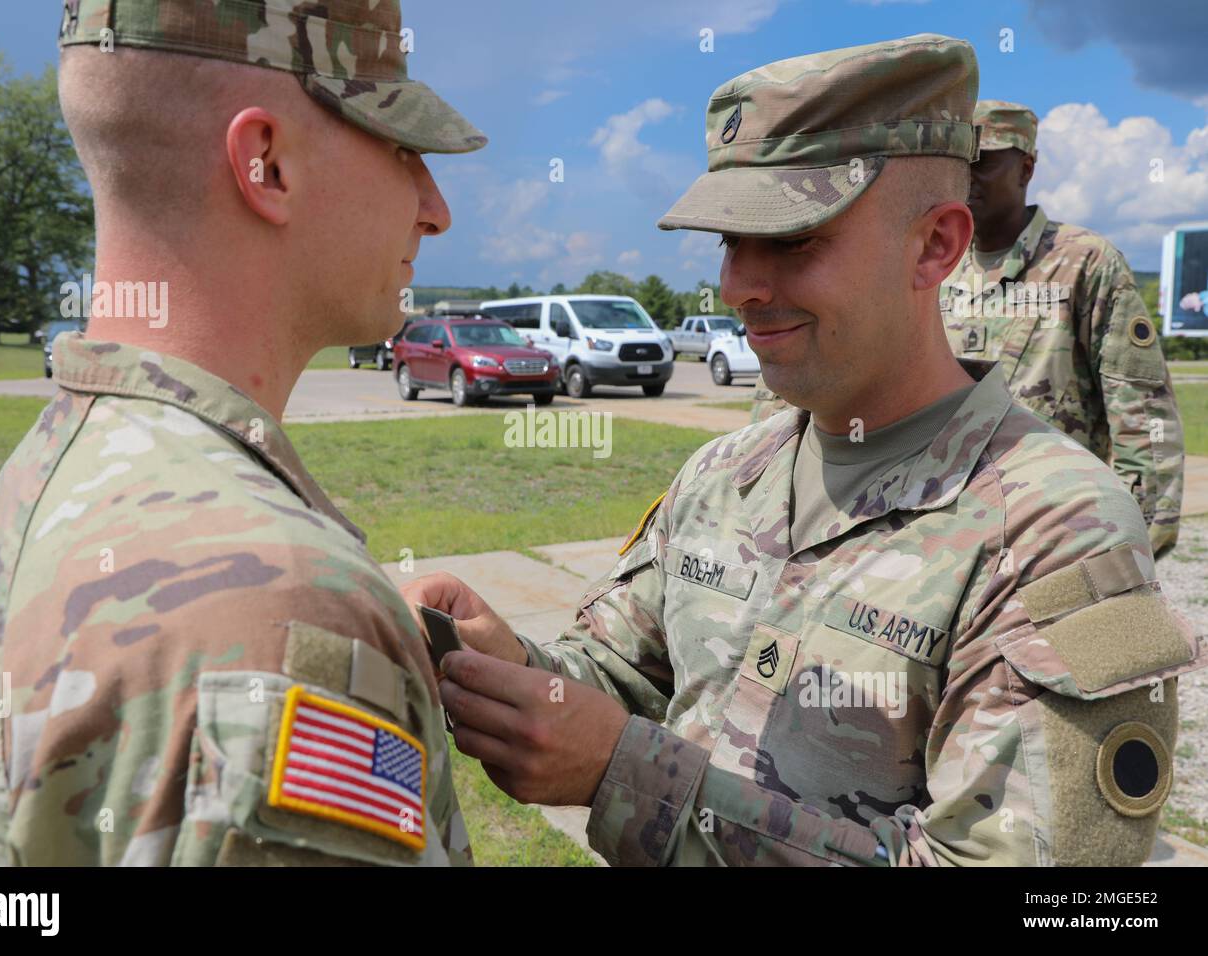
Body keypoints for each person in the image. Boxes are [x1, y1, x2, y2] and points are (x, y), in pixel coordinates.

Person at [404, 34, 1205, 866]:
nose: (737, 287)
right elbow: (624, 677)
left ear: (935, 245)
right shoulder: (725, 473)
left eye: (792, 241)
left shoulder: (1056, 535)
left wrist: (624, 774)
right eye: (728, 241)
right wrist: (505, 664)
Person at [0, 0, 484, 866]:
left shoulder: (54, 465)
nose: (435, 207)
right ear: (265, 163)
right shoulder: (284, 606)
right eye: (401, 148)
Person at [943, 100, 1184, 558]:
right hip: (951, 529)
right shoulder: (937, 265)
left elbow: (1140, 409)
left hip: (1057, 528)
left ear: (1026, 168)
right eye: (958, 162)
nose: (966, 176)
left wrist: (1139, 538)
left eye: (983, 162)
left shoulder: (1084, 261)